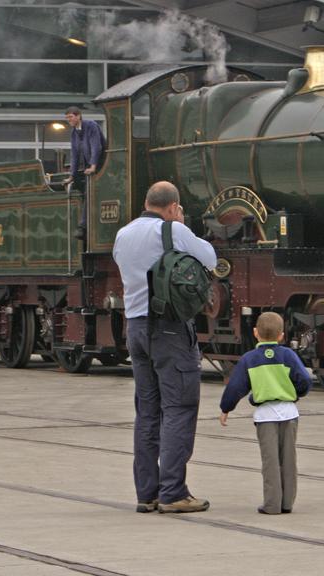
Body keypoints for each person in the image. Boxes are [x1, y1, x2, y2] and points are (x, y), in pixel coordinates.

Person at [112, 181, 217, 514]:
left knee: (147, 411)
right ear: (173, 207)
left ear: (146, 201)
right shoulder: (173, 230)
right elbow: (210, 259)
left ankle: (148, 493)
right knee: (179, 407)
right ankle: (174, 492)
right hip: (169, 329)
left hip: (136, 327)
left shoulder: (123, 234)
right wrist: (182, 228)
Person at [219, 311, 312, 515]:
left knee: (270, 461)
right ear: (282, 335)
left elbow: (236, 387)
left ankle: (272, 505)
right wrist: (294, 394)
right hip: (289, 413)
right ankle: (287, 503)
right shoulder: (288, 355)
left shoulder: (249, 359)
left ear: (255, 333)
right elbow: (304, 380)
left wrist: (226, 408)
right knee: (289, 459)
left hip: (265, 416)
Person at [65, 106, 106, 239]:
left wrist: (93, 165)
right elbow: (74, 155)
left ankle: (83, 225)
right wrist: (71, 176)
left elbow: (97, 147)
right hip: (88, 167)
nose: (69, 120)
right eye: (67, 118)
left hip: (101, 165)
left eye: (70, 117)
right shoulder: (74, 133)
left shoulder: (91, 126)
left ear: (78, 116)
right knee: (79, 185)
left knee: (90, 191)